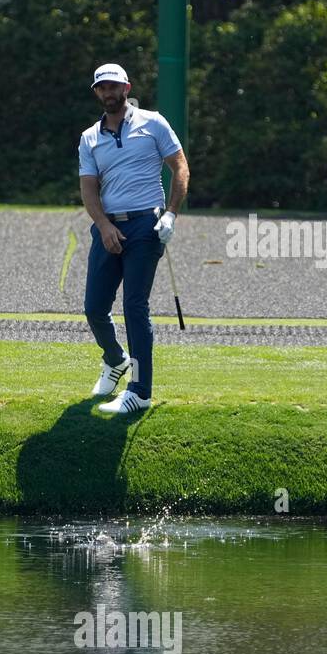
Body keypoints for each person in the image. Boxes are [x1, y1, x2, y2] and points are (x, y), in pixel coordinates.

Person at [77, 63, 188, 415]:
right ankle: (115, 360)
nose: (108, 93)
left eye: (113, 87)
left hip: (146, 226)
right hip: (109, 226)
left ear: (127, 87)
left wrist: (171, 212)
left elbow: (180, 167)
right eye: (101, 88)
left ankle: (140, 391)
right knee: (94, 307)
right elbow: (89, 190)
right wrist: (104, 226)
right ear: (96, 93)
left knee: (134, 308)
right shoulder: (89, 137)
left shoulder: (152, 123)